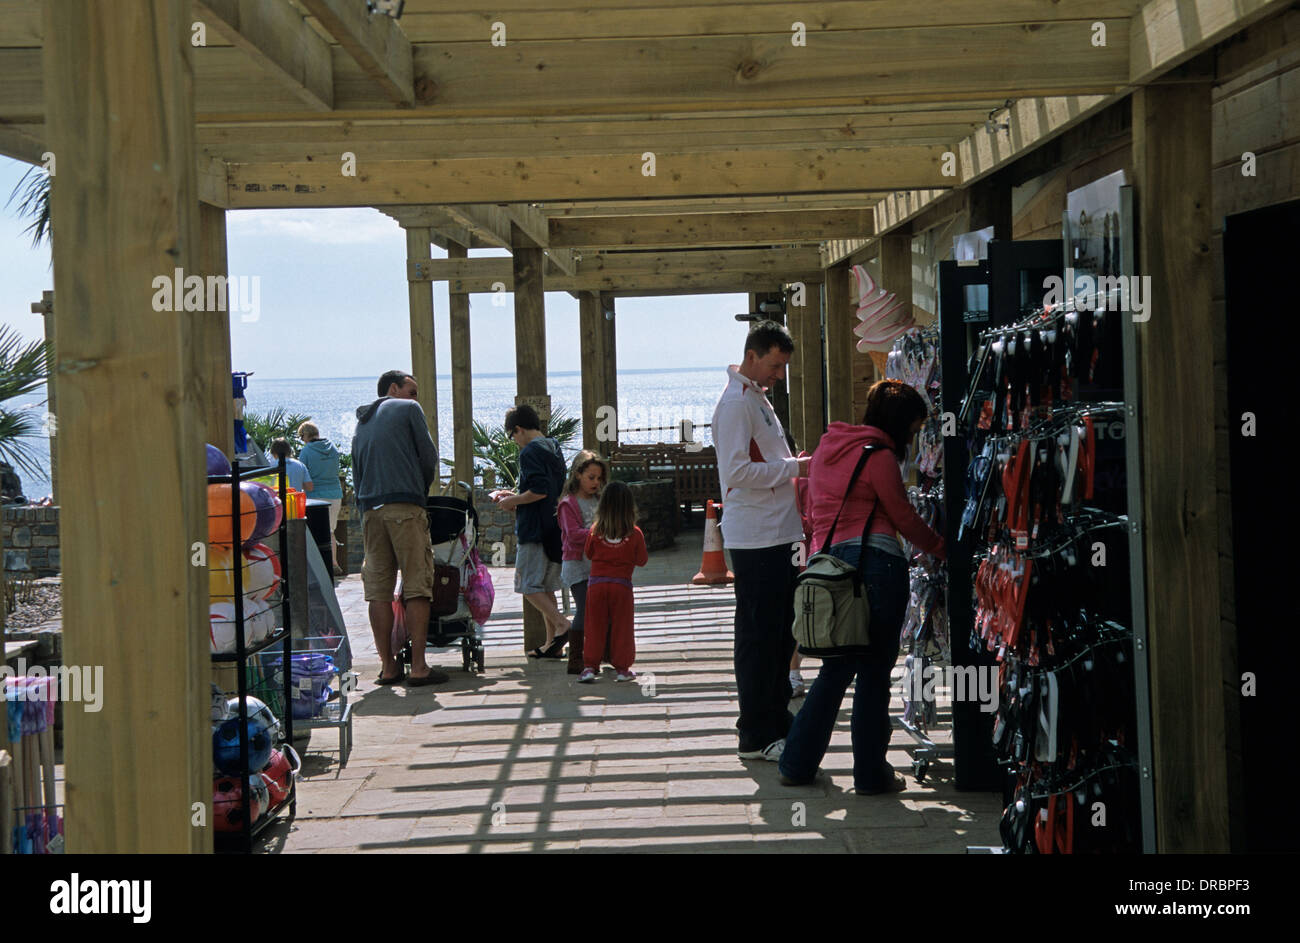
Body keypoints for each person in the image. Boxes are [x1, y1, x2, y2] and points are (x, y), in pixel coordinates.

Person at [778, 379, 946, 794]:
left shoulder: (824, 453)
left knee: (835, 669)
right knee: (873, 674)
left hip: (831, 566)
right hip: (875, 569)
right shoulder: (880, 456)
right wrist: (946, 549)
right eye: (912, 428)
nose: (912, 437)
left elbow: (814, 513)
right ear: (900, 422)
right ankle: (870, 773)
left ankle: (796, 762)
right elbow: (903, 517)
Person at [712, 321, 811, 762]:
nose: (778, 374)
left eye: (783, 366)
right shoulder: (736, 404)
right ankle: (754, 732)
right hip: (757, 536)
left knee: (778, 633)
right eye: (774, 365)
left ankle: (773, 718)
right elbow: (734, 474)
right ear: (752, 355)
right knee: (759, 634)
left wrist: (792, 466)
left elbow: (766, 462)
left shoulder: (756, 399)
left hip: (778, 531)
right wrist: (795, 469)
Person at [351, 369, 445, 686]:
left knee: (378, 590)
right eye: (412, 390)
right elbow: (429, 456)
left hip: (370, 510)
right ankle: (418, 667)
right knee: (417, 583)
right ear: (394, 389)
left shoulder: (361, 422)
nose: (416, 398)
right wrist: (419, 492)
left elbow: (357, 470)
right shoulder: (408, 409)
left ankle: (389, 667)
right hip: (404, 506)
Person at [491, 405, 570, 658]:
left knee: (527, 584)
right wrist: (515, 496)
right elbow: (547, 489)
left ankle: (562, 624)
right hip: (552, 524)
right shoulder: (553, 446)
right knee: (546, 587)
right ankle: (552, 645)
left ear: (519, 429)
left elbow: (539, 490)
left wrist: (510, 502)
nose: (514, 442)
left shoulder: (529, 452)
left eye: (512, 436)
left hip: (533, 529)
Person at [578, 481, 648, 683]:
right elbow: (642, 560)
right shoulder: (635, 533)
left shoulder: (595, 531)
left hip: (596, 585)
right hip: (622, 586)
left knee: (594, 626)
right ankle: (622, 668)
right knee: (622, 627)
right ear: (629, 506)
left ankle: (590, 666)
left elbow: (589, 553)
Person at [557, 451, 607, 674]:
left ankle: (602, 651)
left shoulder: (599, 500)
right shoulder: (568, 504)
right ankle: (575, 657)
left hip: (597, 565)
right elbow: (574, 534)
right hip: (577, 565)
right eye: (591, 477)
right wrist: (600, 534)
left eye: (599, 478)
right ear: (578, 475)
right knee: (585, 609)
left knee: (601, 609)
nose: (596, 482)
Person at [297, 421, 344, 575]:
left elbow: (303, 475)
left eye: (301, 436)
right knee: (330, 530)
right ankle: (334, 562)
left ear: (305, 435)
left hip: (315, 496)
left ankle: (319, 568)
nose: (301, 440)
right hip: (335, 493)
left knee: (315, 532)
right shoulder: (332, 448)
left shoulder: (307, 451)